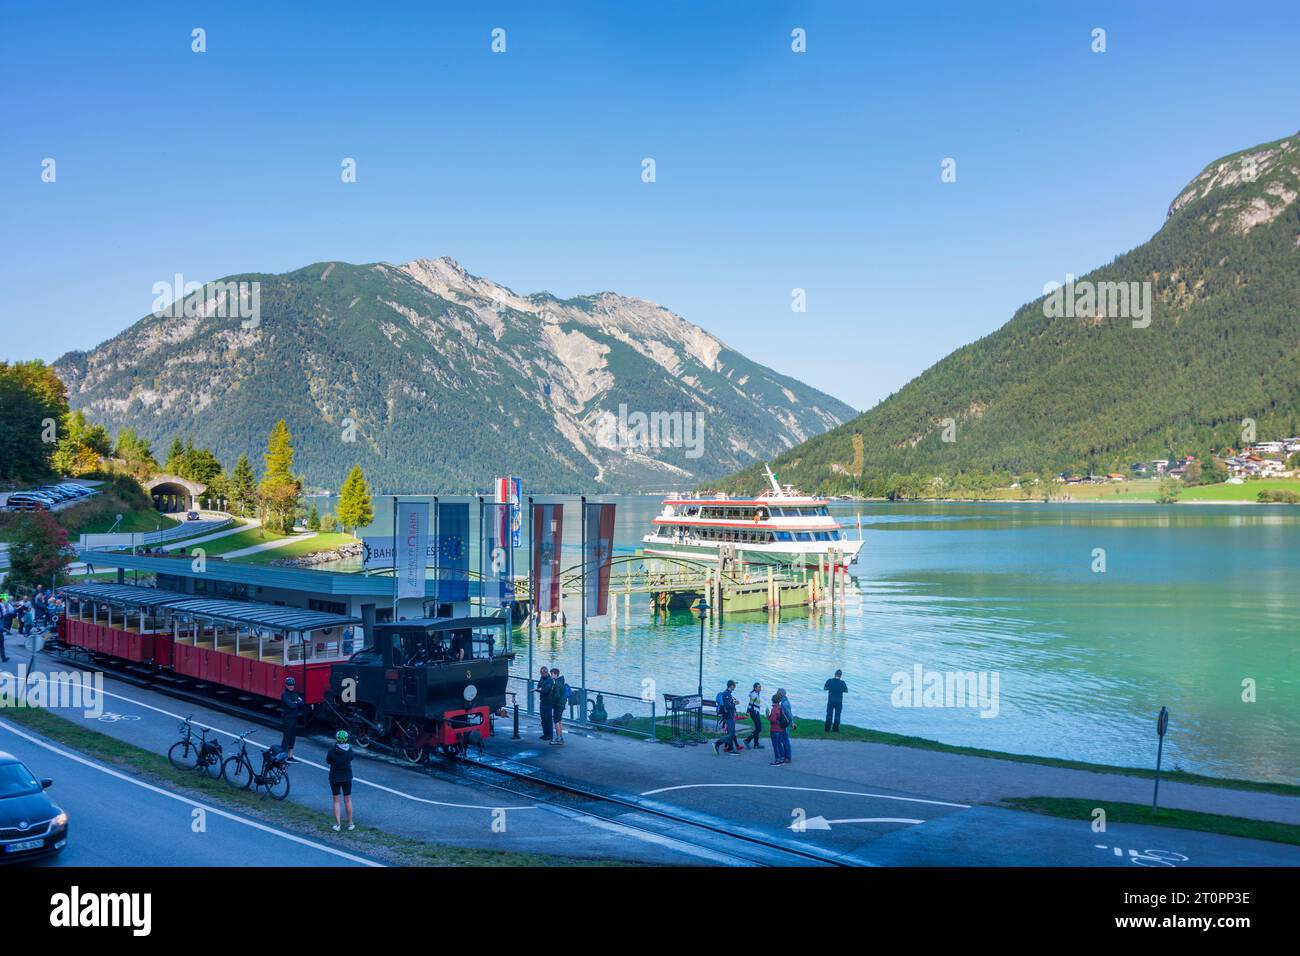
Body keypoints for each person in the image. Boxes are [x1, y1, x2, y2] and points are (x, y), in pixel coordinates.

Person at [326, 730, 355, 832]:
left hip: (334, 778)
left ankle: (338, 824)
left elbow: (328, 761)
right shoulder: (350, 751)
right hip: (347, 777)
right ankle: (350, 823)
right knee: (347, 800)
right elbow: (352, 758)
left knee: (336, 801)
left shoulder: (332, 751)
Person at [713, 680, 742, 755]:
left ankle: (730, 748)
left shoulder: (728, 693)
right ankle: (717, 743)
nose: (735, 687)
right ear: (731, 686)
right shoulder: (727, 694)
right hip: (729, 716)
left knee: (730, 733)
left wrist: (733, 703)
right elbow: (727, 706)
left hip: (729, 715)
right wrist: (735, 703)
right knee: (731, 734)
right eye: (734, 685)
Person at [280, 676, 305, 762]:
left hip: (294, 718)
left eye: (292, 685)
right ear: (286, 685)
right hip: (287, 719)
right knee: (287, 737)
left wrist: (295, 702)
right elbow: (291, 705)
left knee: (292, 737)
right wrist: (296, 702)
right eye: (289, 685)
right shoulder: (284, 694)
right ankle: (282, 756)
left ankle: (290, 756)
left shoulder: (294, 693)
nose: (291, 686)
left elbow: (302, 702)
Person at [767, 693, 787, 766]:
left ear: (772, 701)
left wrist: (767, 716)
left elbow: (773, 720)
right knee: (779, 744)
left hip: (774, 729)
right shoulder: (781, 708)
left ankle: (777, 760)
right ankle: (782, 758)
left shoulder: (774, 709)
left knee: (775, 745)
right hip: (781, 729)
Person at [777, 688, 796, 764]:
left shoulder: (785, 704)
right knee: (783, 740)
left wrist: (792, 724)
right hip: (784, 724)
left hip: (785, 725)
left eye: (778, 693)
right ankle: (784, 755)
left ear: (781, 694)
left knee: (785, 741)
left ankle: (788, 757)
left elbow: (789, 714)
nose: (777, 695)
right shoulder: (784, 702)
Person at [549, 667, 567, 745]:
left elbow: (557, 695)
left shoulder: (557, 684)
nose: (551, 676)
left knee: (556, 721)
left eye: (551, 674)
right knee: (559, 721)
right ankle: (560, 737)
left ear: (555, 674)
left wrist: (552, 702)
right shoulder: (561, 681)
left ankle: (558, 738)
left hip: (557, 705)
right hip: (562, 704)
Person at [535, 666, 554, 741]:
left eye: (542, 673)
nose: (541, 675)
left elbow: (546, 690)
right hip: (542, 700)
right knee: (543, 718)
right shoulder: (542, 678)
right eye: (541, 673)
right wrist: (541, 689)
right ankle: (545, 733)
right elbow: (538, 686)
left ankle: (549, 735)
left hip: (548, 702)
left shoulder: (550, 680)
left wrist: (541, 689)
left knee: (548, 719)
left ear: (546, 672)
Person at [744, 682, 764, 749]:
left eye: (760, 687)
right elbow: (750, 704)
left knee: (757, 728)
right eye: (759, 687)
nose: (760, 688)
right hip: (754, 713)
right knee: (759, 729)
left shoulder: (757, 694)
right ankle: (747, 740)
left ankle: (756, 744)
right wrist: (747, 713)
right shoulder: (754, 695)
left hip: (756, 712)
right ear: (755, 688)